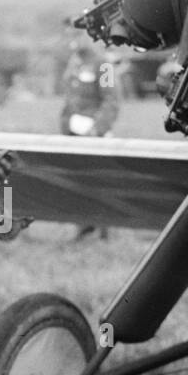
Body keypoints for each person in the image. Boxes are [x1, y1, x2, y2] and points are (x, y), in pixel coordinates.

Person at [59, 40, 118, 240]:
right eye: (69, 33)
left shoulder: (104, 64)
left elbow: (112, 100)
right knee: (76, 180)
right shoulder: (74, 63)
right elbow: (69, 97)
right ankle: (83, 225)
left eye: (76, 33)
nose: (72, 38)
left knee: (98, 180)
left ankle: (103, 229)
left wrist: (98, 128)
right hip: (74, 131)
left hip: (94, 133)